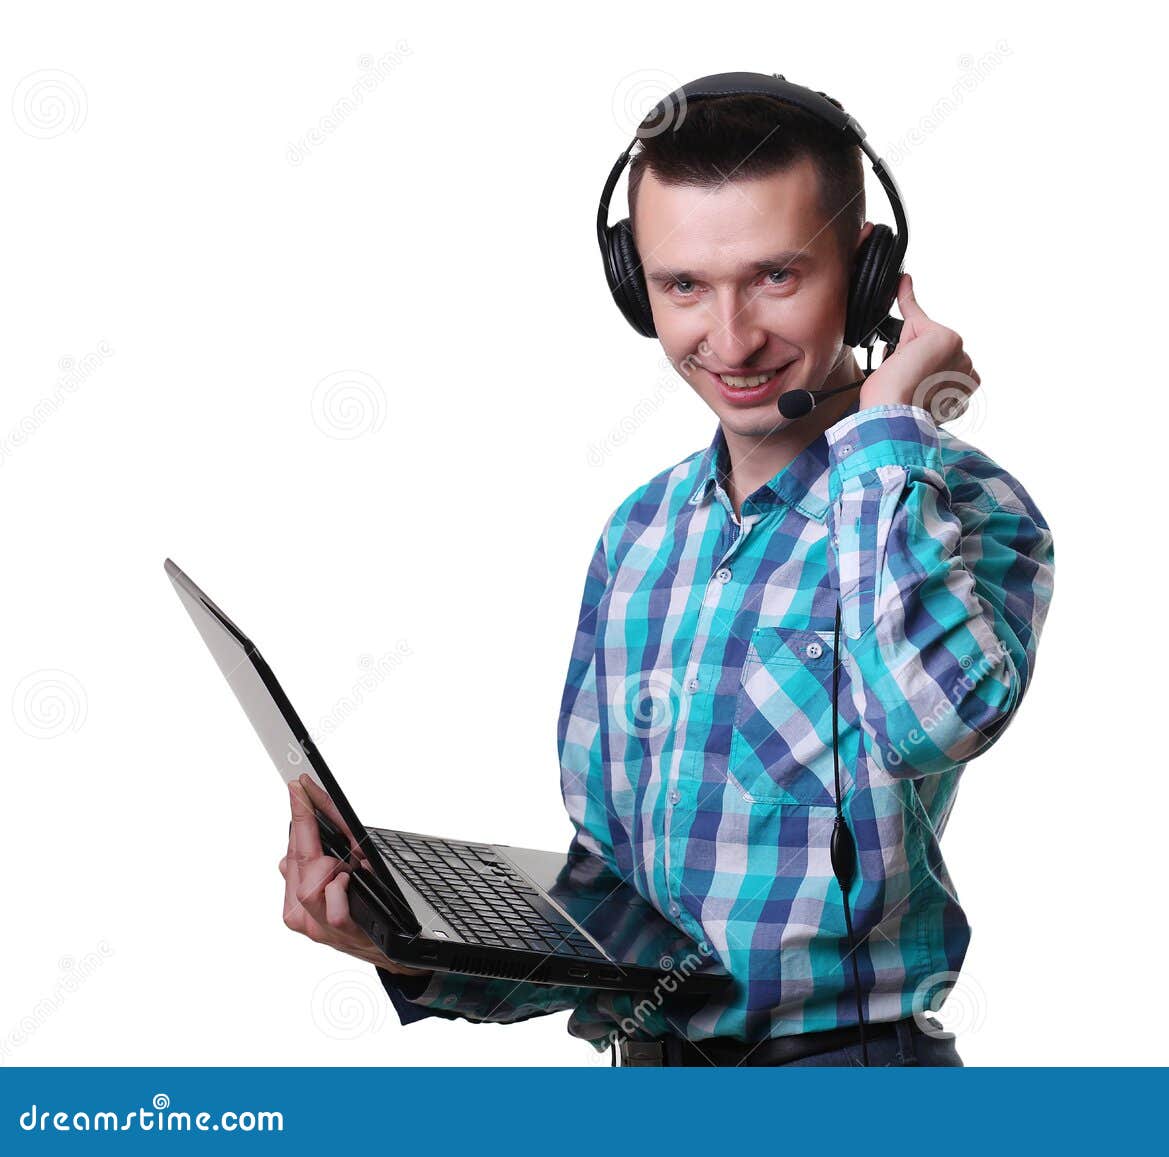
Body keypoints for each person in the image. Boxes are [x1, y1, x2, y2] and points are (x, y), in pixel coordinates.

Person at [278, 81, 1055, 1066]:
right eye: (683, 284)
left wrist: (893, 426)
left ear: (865, 277)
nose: (728, 341)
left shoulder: (966, 508)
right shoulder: (640, 536)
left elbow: (929, 719)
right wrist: (408, 938)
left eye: (776, 277)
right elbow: (622, 916)